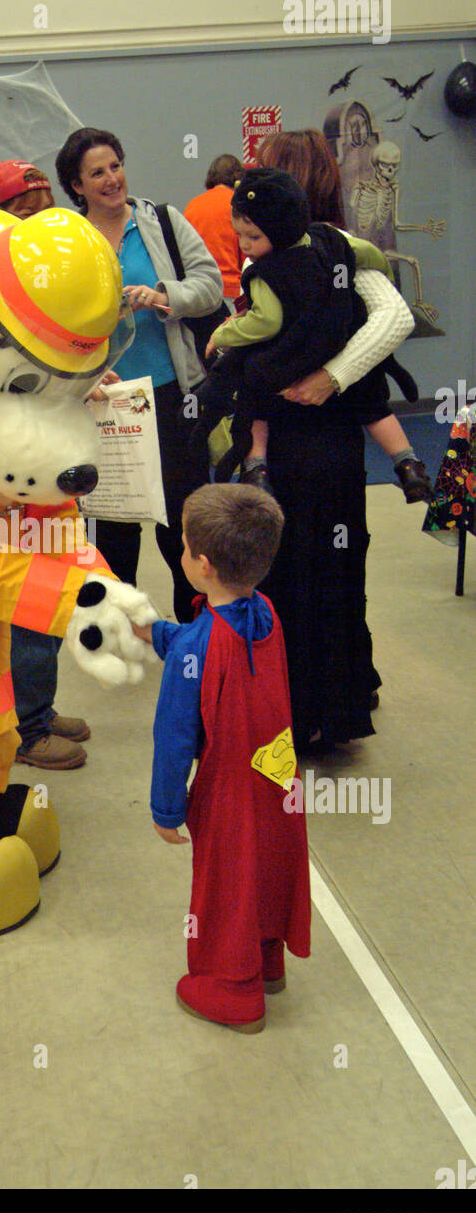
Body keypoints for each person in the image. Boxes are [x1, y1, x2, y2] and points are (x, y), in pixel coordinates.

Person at [245, 129, 416, 750]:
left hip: (298, 435)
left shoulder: (315, 250)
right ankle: (341, 698)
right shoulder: (335, 248)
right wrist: (337, 377)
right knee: (339, 565)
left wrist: (329, 377)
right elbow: (392, 319)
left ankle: (307, 707)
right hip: (332, 439)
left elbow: (395, 318)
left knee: (294, 570)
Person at [132, 484, 310, 1034]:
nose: (182, 555)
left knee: (224, 884)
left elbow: (175, 739)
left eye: (183, 548)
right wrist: (161, 634)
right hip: (278, 772)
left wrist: (166, 811)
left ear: (202, 565)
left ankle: (233, 990)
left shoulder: (197, 647)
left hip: (229, 785)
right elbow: (211, 649)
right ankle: (268, 959)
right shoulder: (267, 613)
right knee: (270, 865)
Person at [55, 126, 224, 622]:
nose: (112, 179)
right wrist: (85, 375)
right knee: (113, 531)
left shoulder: (163, 221)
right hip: (104, 404)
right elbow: (58, 320)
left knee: (182, 526)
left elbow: (210, 286)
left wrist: (164, 294)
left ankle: (193, 632)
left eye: (116, 165)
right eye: (97, 173)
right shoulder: (70, 241)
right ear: (77, 186)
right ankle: (122, 630)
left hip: (174, 398)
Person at [199, 166, 433, 502]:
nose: (244, 246)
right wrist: (382, 267)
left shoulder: (267, 272)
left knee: (253, 396)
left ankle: (255, 467)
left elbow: (265, 322)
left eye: (252, 237)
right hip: (338, 348)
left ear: (279, 230)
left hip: (291, 358)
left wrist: (226, 334)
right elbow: (366, 253)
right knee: (374, 405)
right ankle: (407, 462)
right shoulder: (329, 241)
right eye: (240, 236)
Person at [0, 160, 92, 770]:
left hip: (47, 463)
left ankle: (38, 711)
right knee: (26, 602)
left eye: (47, 202)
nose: (43, 215)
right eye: (28, 206)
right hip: (14, 471)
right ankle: (24, 727)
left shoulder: (46, 273)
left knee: (48, 596)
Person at [183, 154, 245, 306]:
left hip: (198, 291)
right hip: (231, 292)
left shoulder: (192, 206)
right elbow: (248, 256)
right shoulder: (238, 206)